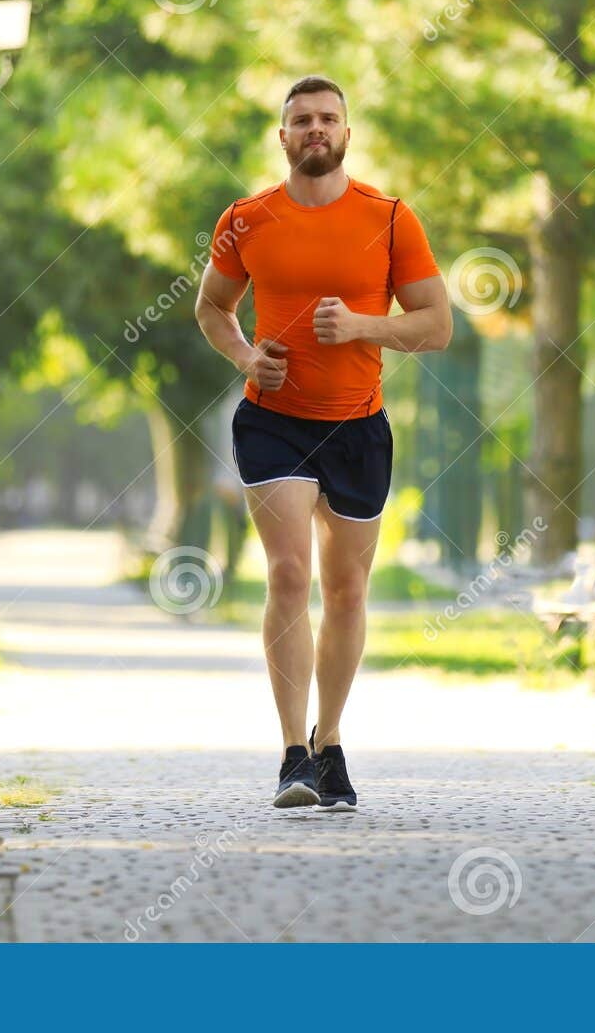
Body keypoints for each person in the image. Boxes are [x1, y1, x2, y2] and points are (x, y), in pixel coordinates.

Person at [194, 75, 452, 809]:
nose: (315, 129)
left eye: (328, 119)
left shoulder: (392, 218)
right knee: (287, 575)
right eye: (301, 119)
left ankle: (330, 741)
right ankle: (291, 755)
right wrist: (247, 358)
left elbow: (436, 326)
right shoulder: (246, 220)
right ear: (282, 137)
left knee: (346, 589)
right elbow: (212, 307)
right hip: (272, 420)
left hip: (358, 426)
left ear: (346, 133)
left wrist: (366, 326)